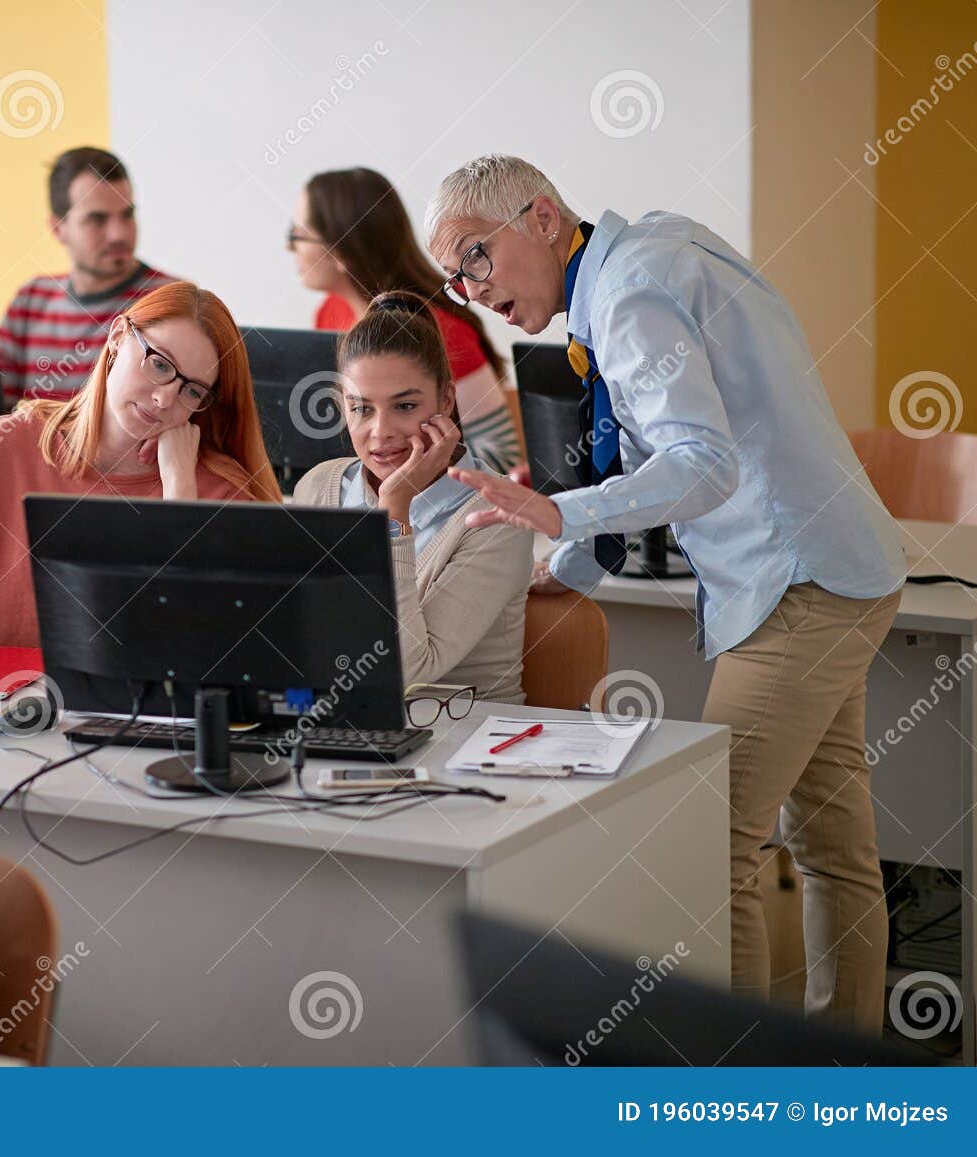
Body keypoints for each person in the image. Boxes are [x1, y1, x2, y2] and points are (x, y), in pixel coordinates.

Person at [426, 154, 905, 1031]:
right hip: (837, 567)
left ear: (540, 218)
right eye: (455, 280)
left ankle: (745, 1100)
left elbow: (702, 462)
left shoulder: (631, 293)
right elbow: (653, 457)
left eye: (475, 258)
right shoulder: (648, 255)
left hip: (795, 580)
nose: (470, 290)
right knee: (835, 851)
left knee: (712, 846)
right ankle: (840, 1083)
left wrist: (557, 513)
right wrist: (564, 564)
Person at [0, 281, 281, 654]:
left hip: (145, 727)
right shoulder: (7, 444)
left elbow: (205, 642)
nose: (165, 400)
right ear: (118, 337)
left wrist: (179, 493)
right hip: (13, 713)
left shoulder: (222, 490)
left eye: (191, 390)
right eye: (158, 364)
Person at [292, 293, 528, 701]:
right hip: (342, 728)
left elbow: (405, 673)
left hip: (461, 743)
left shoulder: (498, 516)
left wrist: (394, 509)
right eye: (361, 409)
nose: (381, 432)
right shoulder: (318, 487)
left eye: (404, 405)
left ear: (447, 400)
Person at [289, 167, 522, 475]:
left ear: (339, 249)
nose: (289, 247)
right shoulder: (330, 313)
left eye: (297, 235)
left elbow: (503, 457)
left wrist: (427, 477)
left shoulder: (441, 330)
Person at [0, 146, 176, 405]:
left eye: (127, 215)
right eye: (97, 220)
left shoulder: (169, 300)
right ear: (58, 229)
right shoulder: (31, 299)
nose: (119, 234)